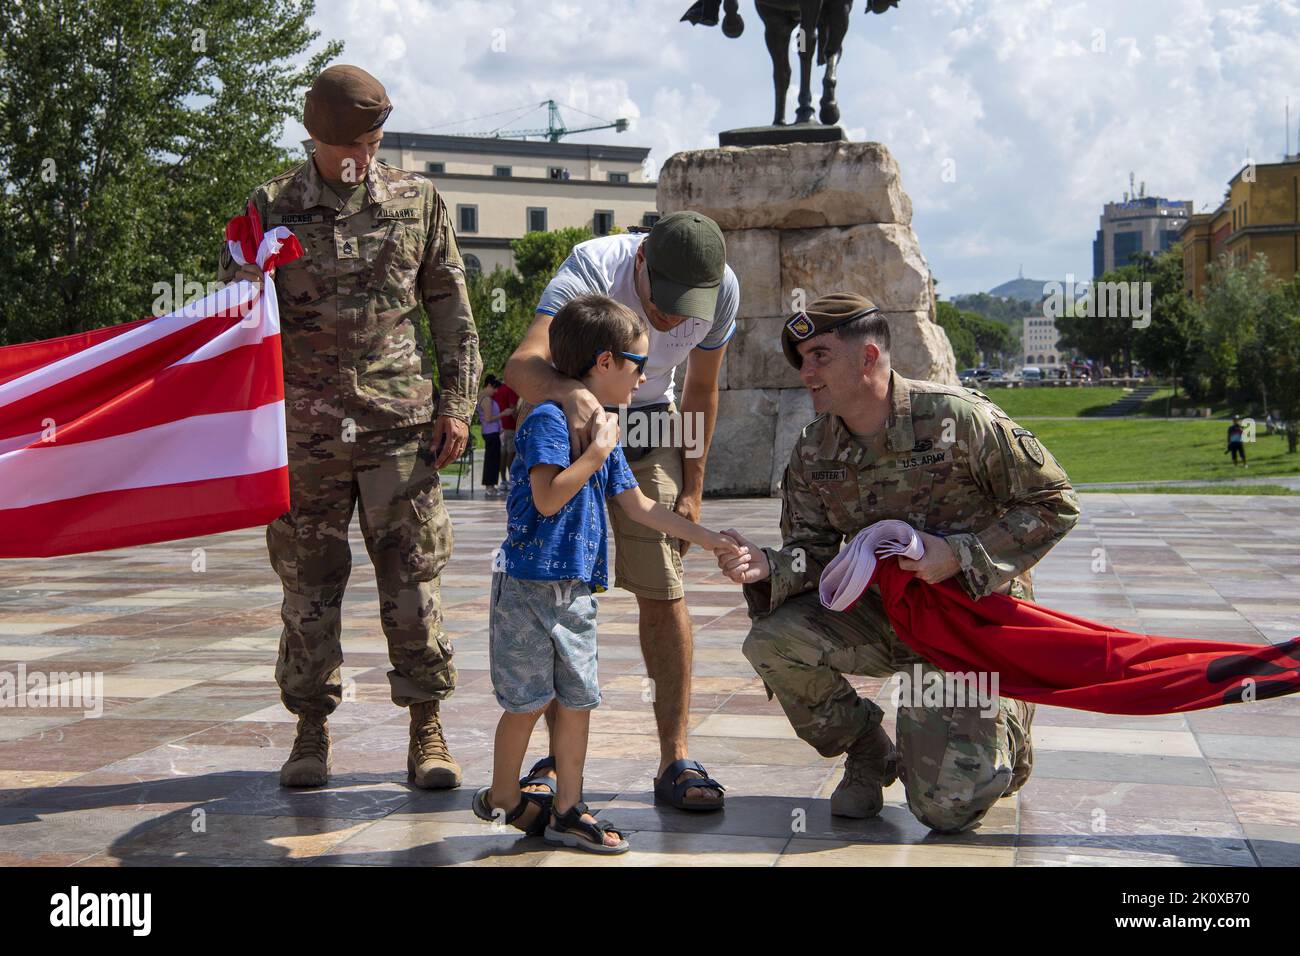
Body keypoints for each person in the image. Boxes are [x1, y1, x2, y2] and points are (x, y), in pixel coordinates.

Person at [716, 292, 1080, 833]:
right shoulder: (815, 448)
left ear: (868, 357)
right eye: (801, 360)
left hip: (964, 621)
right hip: (884, 615)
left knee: (944, 808)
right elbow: (814, 553)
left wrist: (958, 555)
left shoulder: (959, 419)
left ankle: (1006, 714)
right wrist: (768, 566)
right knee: (772, 641)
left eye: (819, 356)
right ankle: (868, 750)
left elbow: (1055, 503)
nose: (806, 372)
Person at [219, 64, 481, 790]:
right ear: (317, 137)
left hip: (398, 428)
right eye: (352, 142)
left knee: (413, 582)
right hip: (301, 438)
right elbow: (234, 327)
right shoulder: (269, 208)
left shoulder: (416, 201)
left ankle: (426, 728)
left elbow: (452, 315)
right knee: (308, 586)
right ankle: (309, 731)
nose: (363, 155)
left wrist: (457, 404)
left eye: (373, 140)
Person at [474, 294, 739, 853]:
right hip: (527, 589)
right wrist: (594, 454)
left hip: (574, 593)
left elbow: (640, 507)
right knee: (525, 703)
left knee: (577, 700)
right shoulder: (550, 419)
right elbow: (546, 499)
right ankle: (502, 795)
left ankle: (568, 808)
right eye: (637, 364)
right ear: (604, 363)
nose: (644, 376)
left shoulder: (604, 425)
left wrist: (713, 539)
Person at [478, 376, 504, 495]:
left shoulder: (481, 397)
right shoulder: (487, 399)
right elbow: (488, 418)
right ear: (488, 385)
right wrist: (504, 413)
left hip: (489, 432)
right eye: (494, 388)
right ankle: (490, 486)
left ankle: (491, 485)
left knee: (492, 460)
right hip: (491, 432)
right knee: (492, 461)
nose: (496, 391)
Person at [495, 378, 521, 491]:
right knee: (511, 453)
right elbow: (513, 408)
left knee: (503, 454)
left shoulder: (499, 389)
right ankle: (511, 479)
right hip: (511, 426)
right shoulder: (511, 389)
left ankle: (503, 479)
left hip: (501, 426)